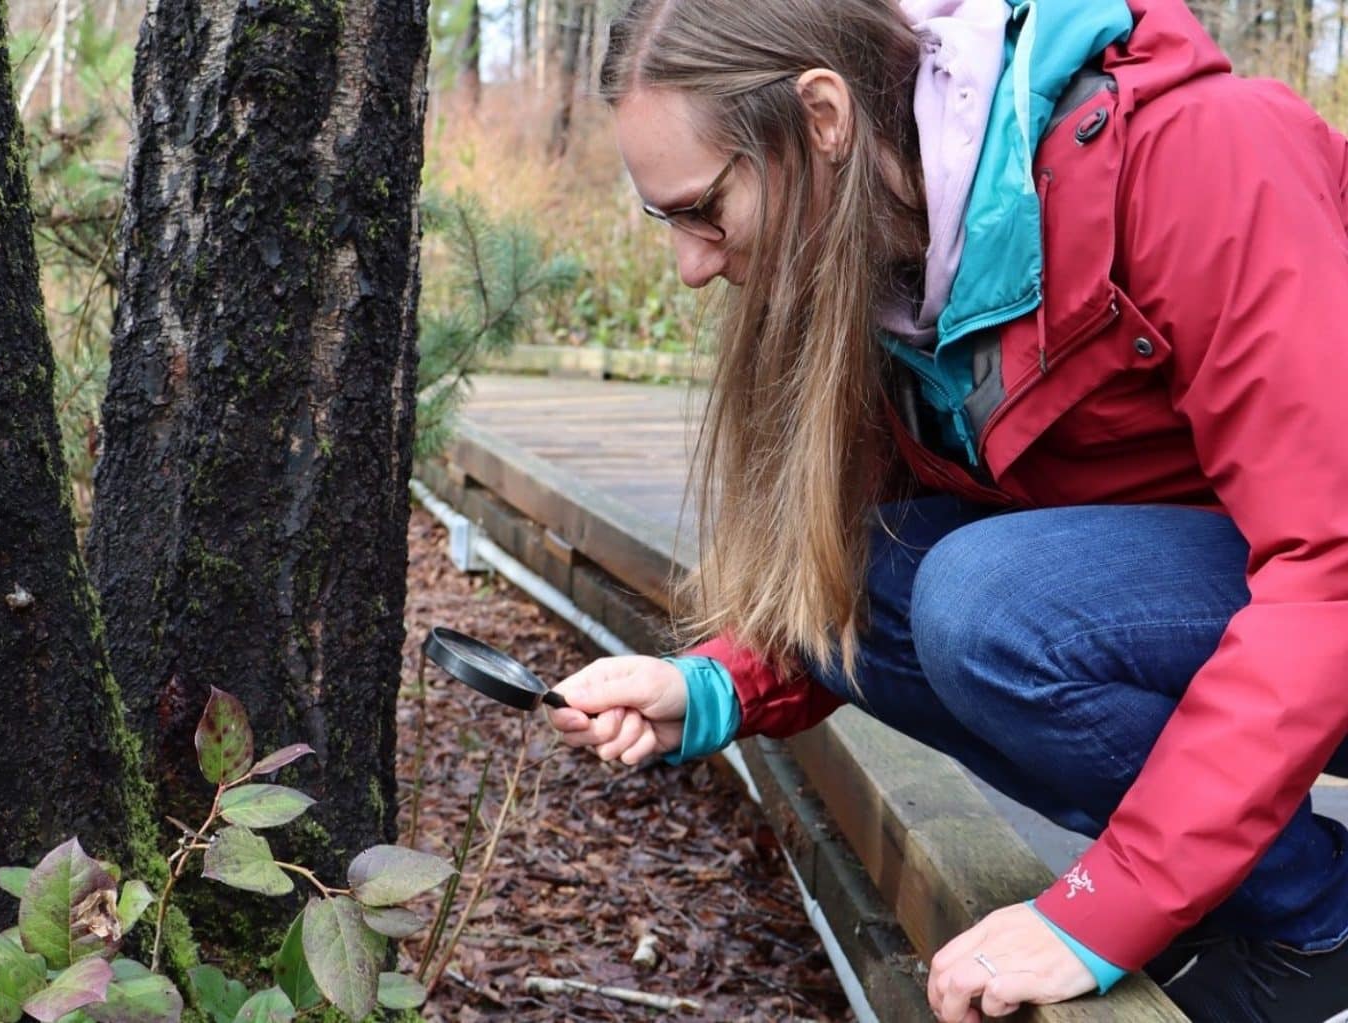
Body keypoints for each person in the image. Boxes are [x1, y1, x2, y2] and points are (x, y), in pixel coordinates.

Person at [544, 0, 1348, 1020]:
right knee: (888, 573)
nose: (693, 264)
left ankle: (1320, 926)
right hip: (1229, 599)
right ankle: (1268, 900)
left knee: (988, 605)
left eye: (703, 209)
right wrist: (709, 686)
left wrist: (1106, 908)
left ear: (824, 116)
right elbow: (879, 570)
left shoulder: (1205, 156)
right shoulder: (893, 267)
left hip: (1320, 591)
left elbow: (1330, 562)